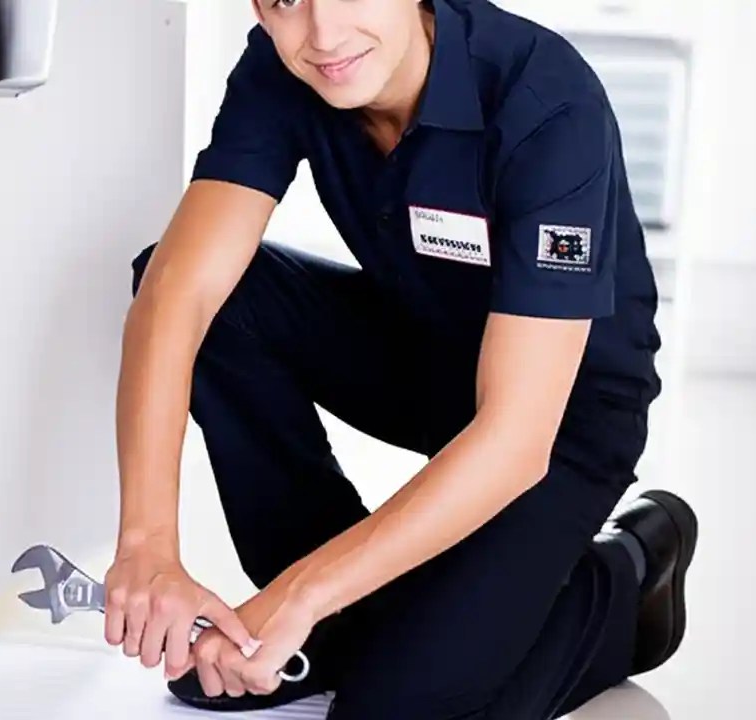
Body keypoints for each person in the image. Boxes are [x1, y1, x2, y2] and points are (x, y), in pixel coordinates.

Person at [104, 0, 699, 717]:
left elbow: (515, 439)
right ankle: (346, 619)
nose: (324, 36)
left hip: (560, 414)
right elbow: (179, 293)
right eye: (285, 0)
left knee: (391, 706)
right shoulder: (283, 67)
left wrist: (298, 595)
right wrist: (147, 545)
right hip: (426, 353)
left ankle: (626, 582)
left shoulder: (546, 102)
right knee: (201, 293)